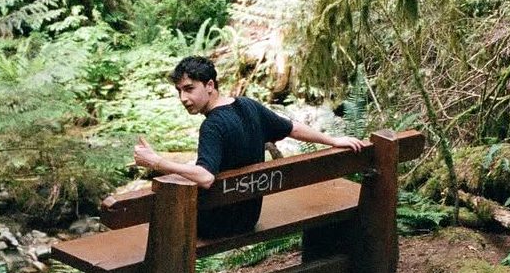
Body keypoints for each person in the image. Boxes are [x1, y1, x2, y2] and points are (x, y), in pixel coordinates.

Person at [133, 56, 366, 237]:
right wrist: (334, 140)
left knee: (157, 221)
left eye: (189, 88)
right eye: (179, 91)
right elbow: (291, 127)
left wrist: (156, 162)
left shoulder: (212, 126)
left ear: (210, 85)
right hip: (249, 216)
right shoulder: (248, 105)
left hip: (221, 224)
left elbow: (205, 177)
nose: (183, 98)